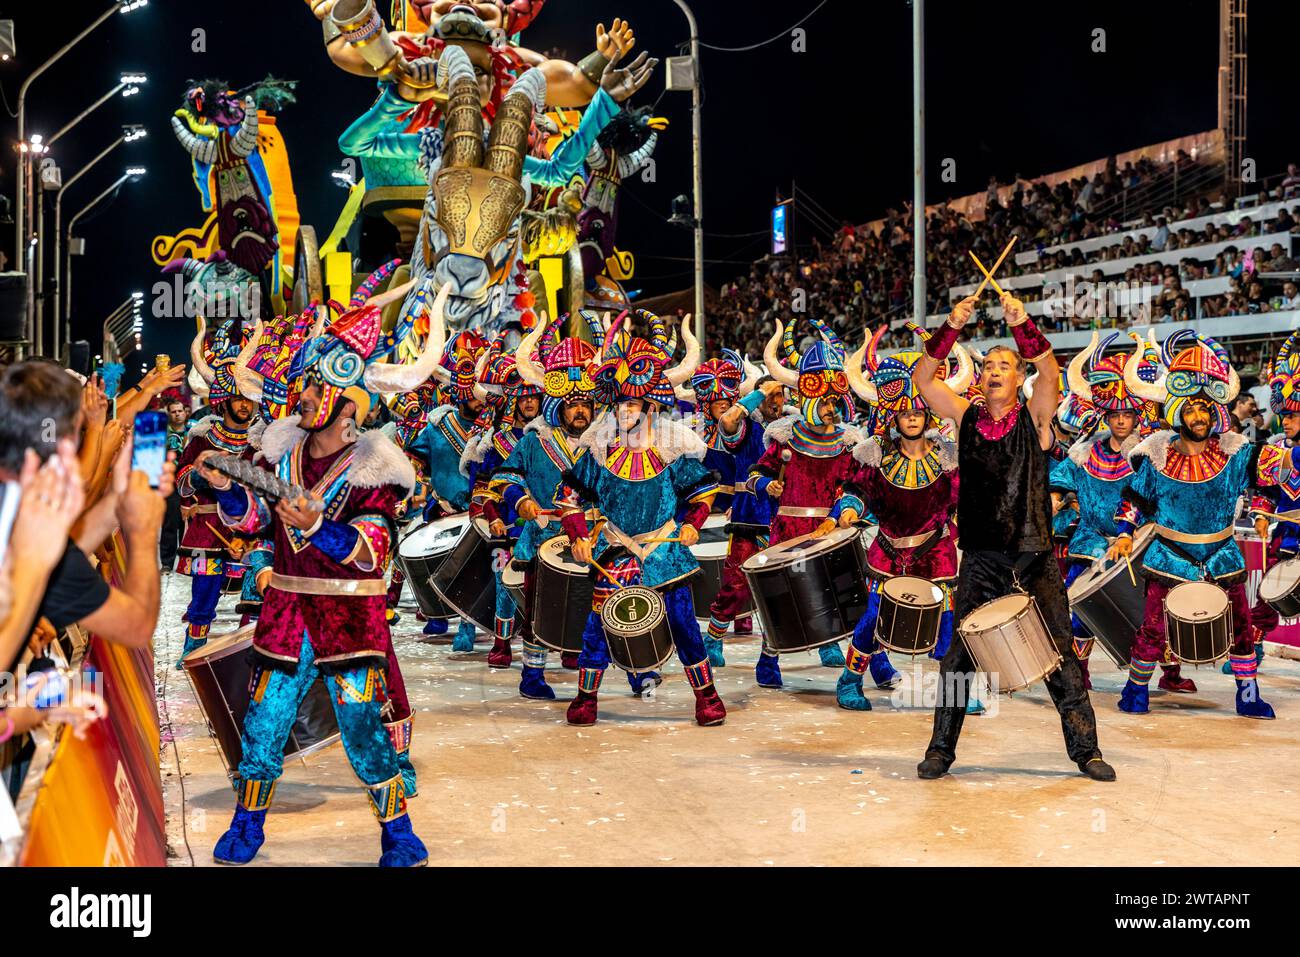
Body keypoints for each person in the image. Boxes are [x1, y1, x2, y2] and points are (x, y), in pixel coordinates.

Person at [200, 282, 438, 866]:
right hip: (285, 616)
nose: (302, 396)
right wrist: (230, 492)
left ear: (348, 396)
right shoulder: (280, 455)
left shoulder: (374, 466)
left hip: (349, 618)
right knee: (264, 721)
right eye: (303, 384)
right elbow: (257, 521)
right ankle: (248, 825)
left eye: (314, 386)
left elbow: (373, 548)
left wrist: (316, 528)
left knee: (361, 727)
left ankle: (397, 832)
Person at [911, 291, 1114, 781]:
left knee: (1060, 652)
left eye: (1004, 365)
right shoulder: (965, 417)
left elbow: (1052, 373)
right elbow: (922, 380)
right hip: (981, 556)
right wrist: (951, 325)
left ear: (1017, 377)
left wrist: (1021, 322)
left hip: (1034, 553)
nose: (994, 370)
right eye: (988, 366)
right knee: (959, 656)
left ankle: (1086, 751)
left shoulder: (1036, 417)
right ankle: (941, 750)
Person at [556, 320, 727, 727]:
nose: (624, 411)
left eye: (632, 405)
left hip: (665, 553)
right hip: (614, 554)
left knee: (685, 624)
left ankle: (706, 697)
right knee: (596, 630)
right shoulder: (599, 449)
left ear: (650, 405)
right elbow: (567, 498)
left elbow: (702, 491)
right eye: (620, 405)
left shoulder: (672, 445)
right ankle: (586, 698)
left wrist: (693, 523)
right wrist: (578, 534)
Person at [1109, 330, 1280, 720]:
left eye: (1205, 408)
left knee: (1240, 628)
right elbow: (1134, 501)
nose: (1199, 416)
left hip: (1222, 555)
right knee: (1152, 630)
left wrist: (1260, 513)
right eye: (1191, 409)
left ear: (1215, 411)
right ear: (1178, 413)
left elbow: (1264, 485)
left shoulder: (1237, 452)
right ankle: (1136, 690)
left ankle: (1248, 695)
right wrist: (1123, 534)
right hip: (1169, 555)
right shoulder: (1155, 455)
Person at [827, 324, 969, 710]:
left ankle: (956, 691)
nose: (911, 417)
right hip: (888, 549)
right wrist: (849, 510)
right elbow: (856, 492)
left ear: (928, 415)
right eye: (904, 412)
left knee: (948, 625)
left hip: (936, 549)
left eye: (918, 411)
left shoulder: (947, 457)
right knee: (873, 618)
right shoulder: (875, 456)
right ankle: (850, 680)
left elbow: (964, 499)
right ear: (893, 414)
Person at [1049, 332, 1195, 693]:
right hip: (1092, 540)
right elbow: (1055, 482)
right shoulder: (1085, 452)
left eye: (1127, 414)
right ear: (1105, 416)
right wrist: (1054, 502)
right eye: (1114, 415)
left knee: (1156, 609)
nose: (1120, 421)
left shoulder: (1151, 454)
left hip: (1141, 543)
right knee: (1083, 606)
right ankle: (1078, 671)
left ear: (1136, 416)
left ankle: (1170, 673)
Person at [746, 319, 862, 689]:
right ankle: (769, 659)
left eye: (834, 400)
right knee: (781, 595)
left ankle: (839, 648)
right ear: (808, 399)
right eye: (823, 400)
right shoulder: (784, 437)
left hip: (830, 530)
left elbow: (852, 487)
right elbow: (753, 475)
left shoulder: (848, 443)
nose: (830, 408)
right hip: (788, 528)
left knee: (840, 590)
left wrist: (844, 510)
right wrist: (767, 485)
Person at [490, 321, 601, 698]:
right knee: (539, 606)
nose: (581, 412)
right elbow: (503, 476)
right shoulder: (535, 442)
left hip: (592, 536)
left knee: (593, 606)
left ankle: (585, 660)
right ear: (558, 407)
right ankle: (532, 677)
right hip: (541, 535)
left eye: (586, 404)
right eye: (573, 405)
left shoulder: (605, 444)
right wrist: (520, 500)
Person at [172, 321, 258, 667]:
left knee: (256, 593)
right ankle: (193, 647)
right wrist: (200, 477)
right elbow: (181, 482)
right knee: (204, 590)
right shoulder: (202, 437)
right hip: (207, 530)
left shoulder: (261, 441)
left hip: (250, 531)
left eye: (250, 399)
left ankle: (252, 651)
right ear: (224, 400)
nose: (245, 405)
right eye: (238, 398)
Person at [461, 341, 544, 669]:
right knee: (504, 583)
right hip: (507, 524)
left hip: (543, 524)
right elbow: (484, 487)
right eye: (522, 396)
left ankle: (553, 641)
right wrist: (493, 517)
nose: (527, 402)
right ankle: (501, 642)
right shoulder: (496, 441)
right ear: (513, 400)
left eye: (532, 396)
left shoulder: (550, 437)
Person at [409, 329, 490, 650]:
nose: (476, 397)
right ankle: (437, 613)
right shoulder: (435, 426)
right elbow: (414, 458)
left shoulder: (493, 429)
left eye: (479, 391)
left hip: (479, 513)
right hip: (441, 507)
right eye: (470, 392)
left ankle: (468, 626)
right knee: (429, 563)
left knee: (475, 572)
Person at [702, 372, 786, 666]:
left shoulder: (791, 428)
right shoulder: (746, 427)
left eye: (780, 395)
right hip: (749, 516)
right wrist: (758, 393)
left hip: (786, 520)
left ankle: (771, 657)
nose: (777, 401)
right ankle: (712, 639)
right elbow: (726, 421)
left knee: (785, 589)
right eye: (771, 396)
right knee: (735, 586)